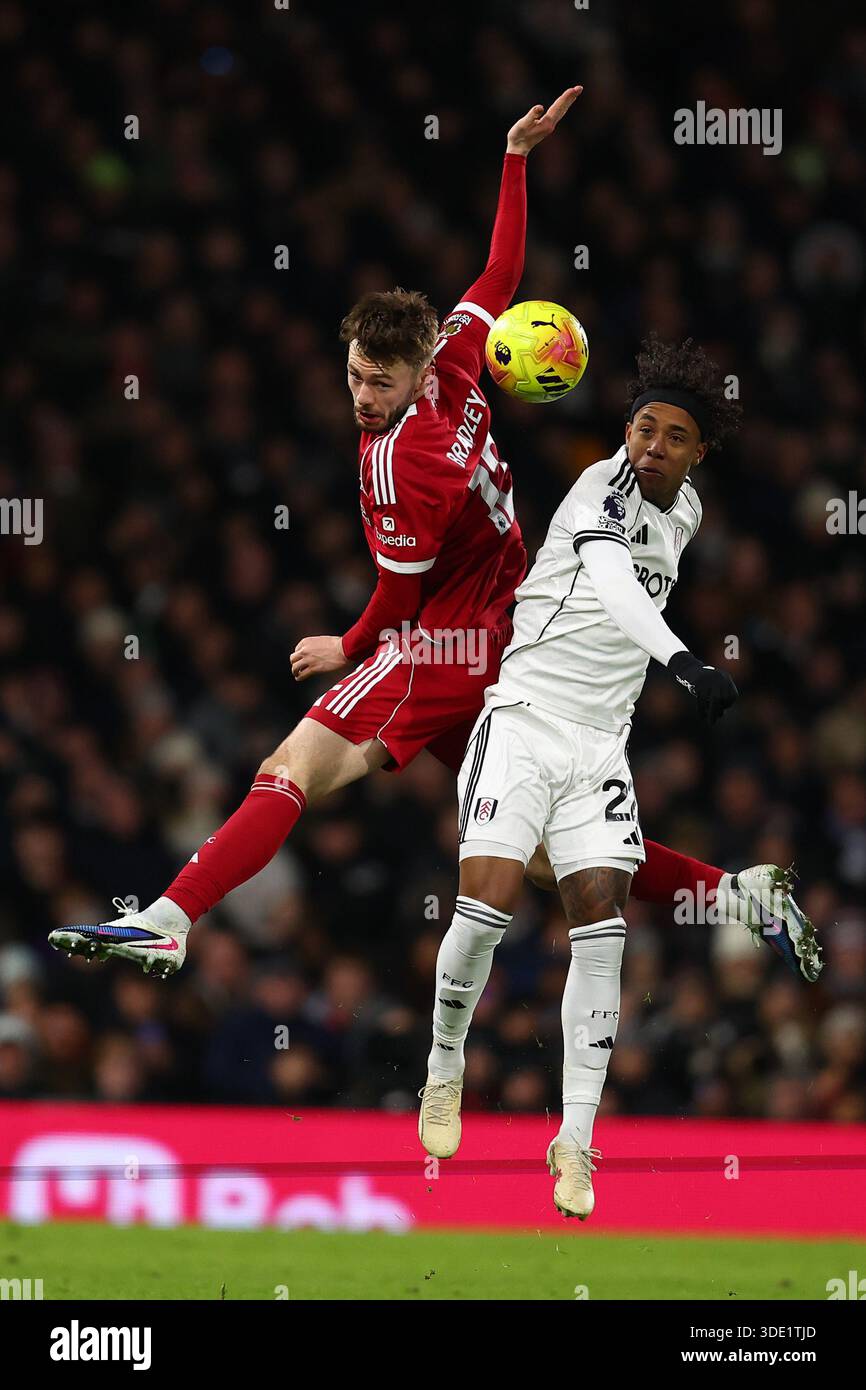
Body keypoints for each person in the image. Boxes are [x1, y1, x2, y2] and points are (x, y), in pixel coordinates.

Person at [49, 89, 818, 1012]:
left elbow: (398, 600)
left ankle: (168, 921)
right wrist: (516, 158)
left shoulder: (402, 463)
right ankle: (740, 893)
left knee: (292, 769)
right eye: (353, 379)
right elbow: (500, 270)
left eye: (378, 382)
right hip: (509, 625)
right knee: (543, 858)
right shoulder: (458, 356)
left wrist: (347, 644)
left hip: (446, 639)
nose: (362, 397)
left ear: (415, 373)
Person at [417, 333, 823, 1220]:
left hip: (600, 743)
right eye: (643, 429)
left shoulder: (688, 516)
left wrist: (668, 667)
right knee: (484, 907)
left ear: (698, 452)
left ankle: (575, 1139)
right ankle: (444, 1065)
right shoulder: (597, 486)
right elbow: (608, 579)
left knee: (601, 925)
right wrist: (682, 660)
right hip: (522, 718)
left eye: (673, 437)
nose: (652, 448)